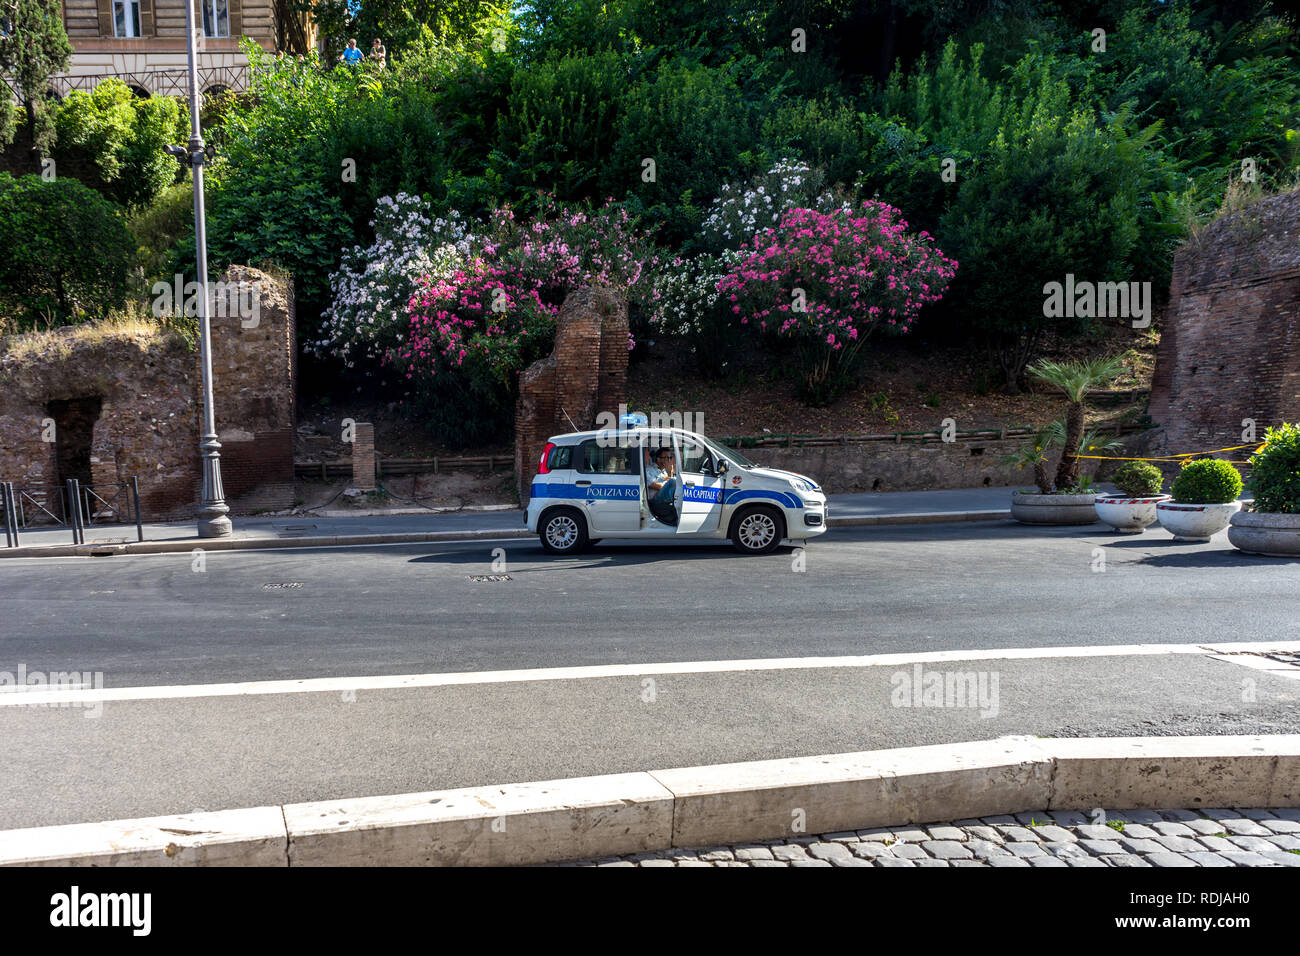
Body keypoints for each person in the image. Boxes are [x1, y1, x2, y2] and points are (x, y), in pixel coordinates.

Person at [644, 446, 678, 525]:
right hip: (654, 501)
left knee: (675, 481)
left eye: (670, 458)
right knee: (674, 481)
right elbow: (658, 486)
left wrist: (670, 472)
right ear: (658, 459)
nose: (669, 460)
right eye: (666, 458)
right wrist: (669, 481)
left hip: (664, 500)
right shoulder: (649, 470)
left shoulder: (664, 472)